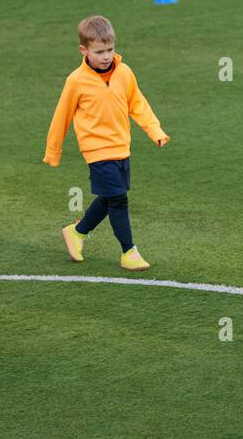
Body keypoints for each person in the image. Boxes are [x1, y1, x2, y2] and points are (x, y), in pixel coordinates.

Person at [44, 15, 169, 269]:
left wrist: (155, 130)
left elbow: (138, 103)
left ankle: (77, 232)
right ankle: (129, 252)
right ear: (84, 50)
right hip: (96, 150)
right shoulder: (76, 80)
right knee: (119, 199)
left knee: (109, 198)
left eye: (110, 49)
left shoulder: (124, 73)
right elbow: (62, 116)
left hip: (122, 147)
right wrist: (53, 151)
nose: (106, 56)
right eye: (99, 51)